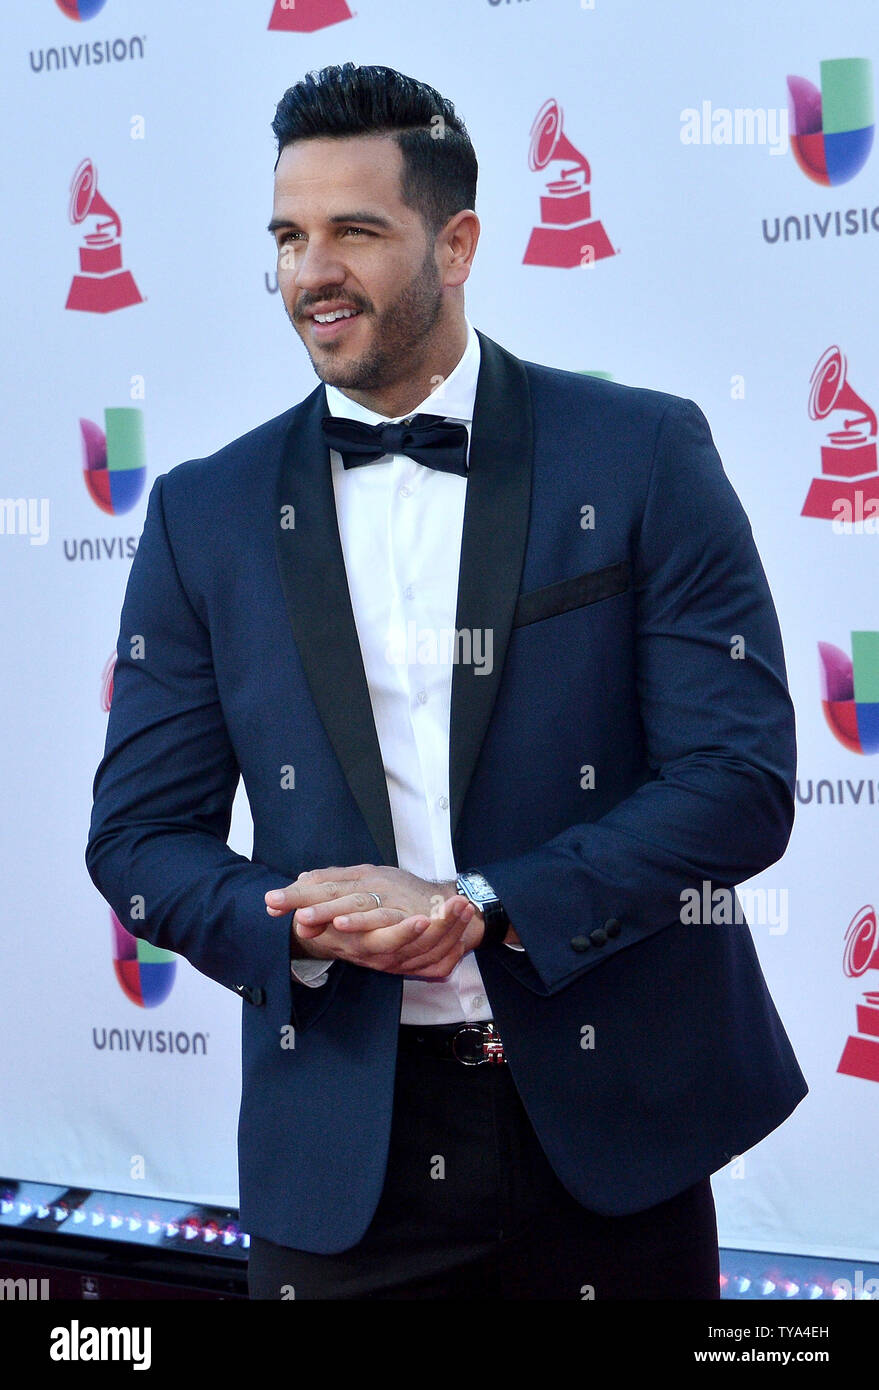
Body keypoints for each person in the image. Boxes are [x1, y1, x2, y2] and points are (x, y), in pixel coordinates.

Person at [85, 62, 808, 1301]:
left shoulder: (638, 454)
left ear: (458, 241)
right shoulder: (202, 514)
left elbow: (739, 780)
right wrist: (298, 922)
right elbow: (141, 838)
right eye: (290, 235)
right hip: (342, 1157)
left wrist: (480, 901)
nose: (313, 271)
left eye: (356, 231)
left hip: (608, 1142)